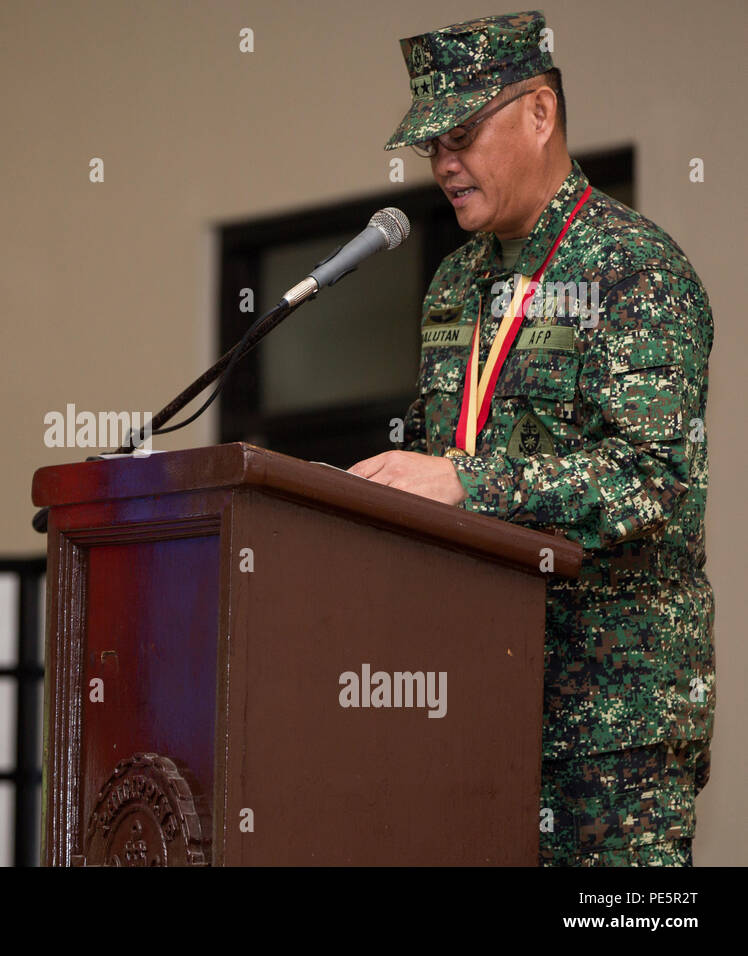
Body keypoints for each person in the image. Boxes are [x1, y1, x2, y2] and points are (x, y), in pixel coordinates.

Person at [348, 10, 714, 866]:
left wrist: (466, 484)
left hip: (610, 726)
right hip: (476, 702)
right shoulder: (455, 283)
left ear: (540, 113)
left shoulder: (635, 269)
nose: (444, 164)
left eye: (462, 135)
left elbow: (652, 480)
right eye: (432, 144)